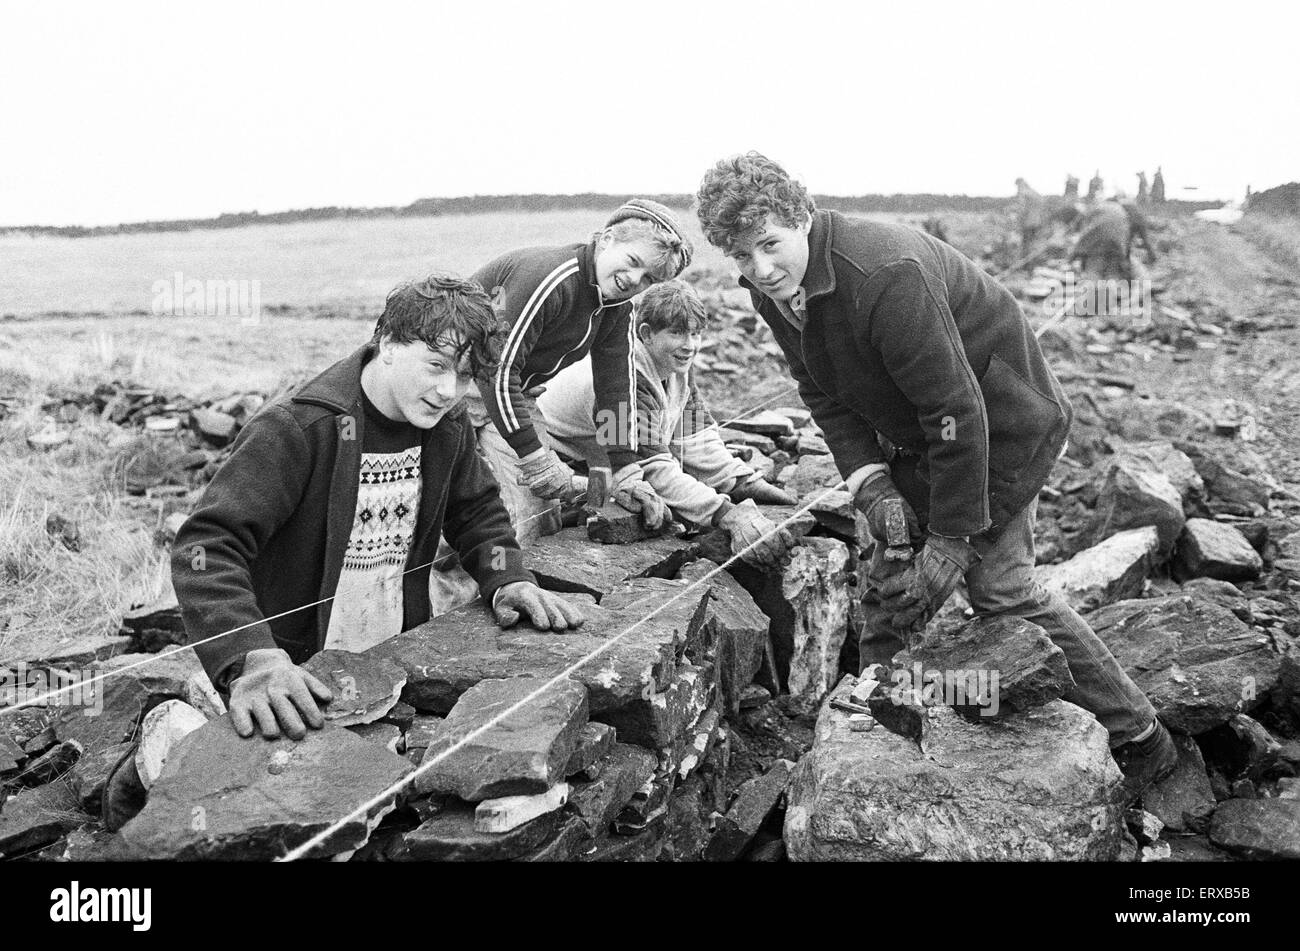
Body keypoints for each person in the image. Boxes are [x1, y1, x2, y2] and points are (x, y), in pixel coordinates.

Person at [693, 151, 1177, 792]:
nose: (760, 269)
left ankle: (1140, 736)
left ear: (802, 217)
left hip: (1003, 427)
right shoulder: (773, 286)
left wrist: (951, 540)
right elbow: (823, 394)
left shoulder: (886, 273)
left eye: (770, 245)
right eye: (740, 257)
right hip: (925, 434)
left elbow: (958, 411)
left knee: (1001, 590)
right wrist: (872, 482)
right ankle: (876, 743)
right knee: (891, 580)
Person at [171, 273, 586, 742]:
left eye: (466, 375)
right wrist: (252, 657)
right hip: (294, 672)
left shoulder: (445, 425)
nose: (450, 390)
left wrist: (506, 577)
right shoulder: (300, 428)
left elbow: (475, 511)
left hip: (389, 655)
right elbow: (206, 548)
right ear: (388, 343)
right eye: (436, 365)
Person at [467, 199, 692, 544]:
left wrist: (627, 469)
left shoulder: (618, 309)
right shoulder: (552, 279)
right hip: (455, 385)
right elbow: (495, 370)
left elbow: (615, 389)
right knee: (451, 504)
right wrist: (534, 456)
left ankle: (521, 590)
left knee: (538, 515)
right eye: (633, 261)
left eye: (649, 278)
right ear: (606, 239)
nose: (634, 279)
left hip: (515, 395)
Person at [536, 279, 795, 567]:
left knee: (668, 499)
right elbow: (654, 469)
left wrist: (744, 480)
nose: (690, 345)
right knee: (629, 507)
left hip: (606, 456)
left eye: (695, 334)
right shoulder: (624, 379)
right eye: (677, 333)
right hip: (563, 461)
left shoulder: (674, 364)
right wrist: (727, 514)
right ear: (646, 334)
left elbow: (695, 436)